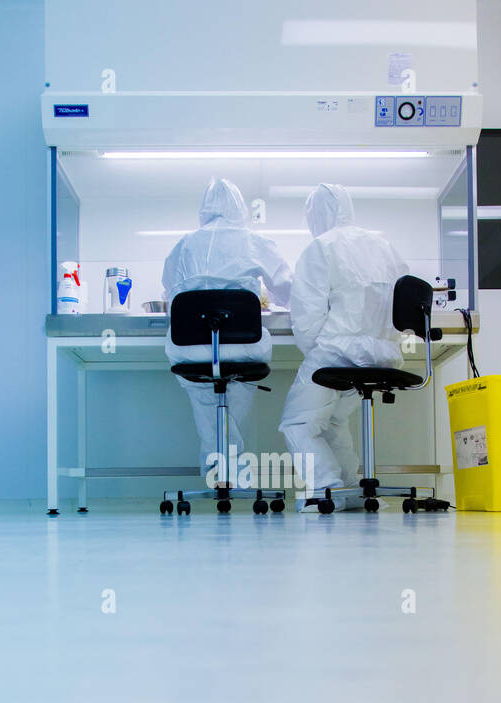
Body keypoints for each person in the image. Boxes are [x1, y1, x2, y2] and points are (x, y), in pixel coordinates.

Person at [280, 183, 408, 504]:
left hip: (336, 355)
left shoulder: (321, 247)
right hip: (384, 358)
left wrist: (317, 356)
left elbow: (306, 320)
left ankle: (327, 487)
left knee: (298, 422)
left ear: (315, 217)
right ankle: (350, 491)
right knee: (335, 421)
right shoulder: (385, 246)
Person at [163, 178, 292, 477]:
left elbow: (171, 295)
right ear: (240, 209)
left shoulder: (184, 244)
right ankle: (235, 474)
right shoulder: (253, 241)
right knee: (236, 406)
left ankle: (217, 474)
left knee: (207, 408)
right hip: (242, 346)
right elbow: (287, 290)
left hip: (191, 348)